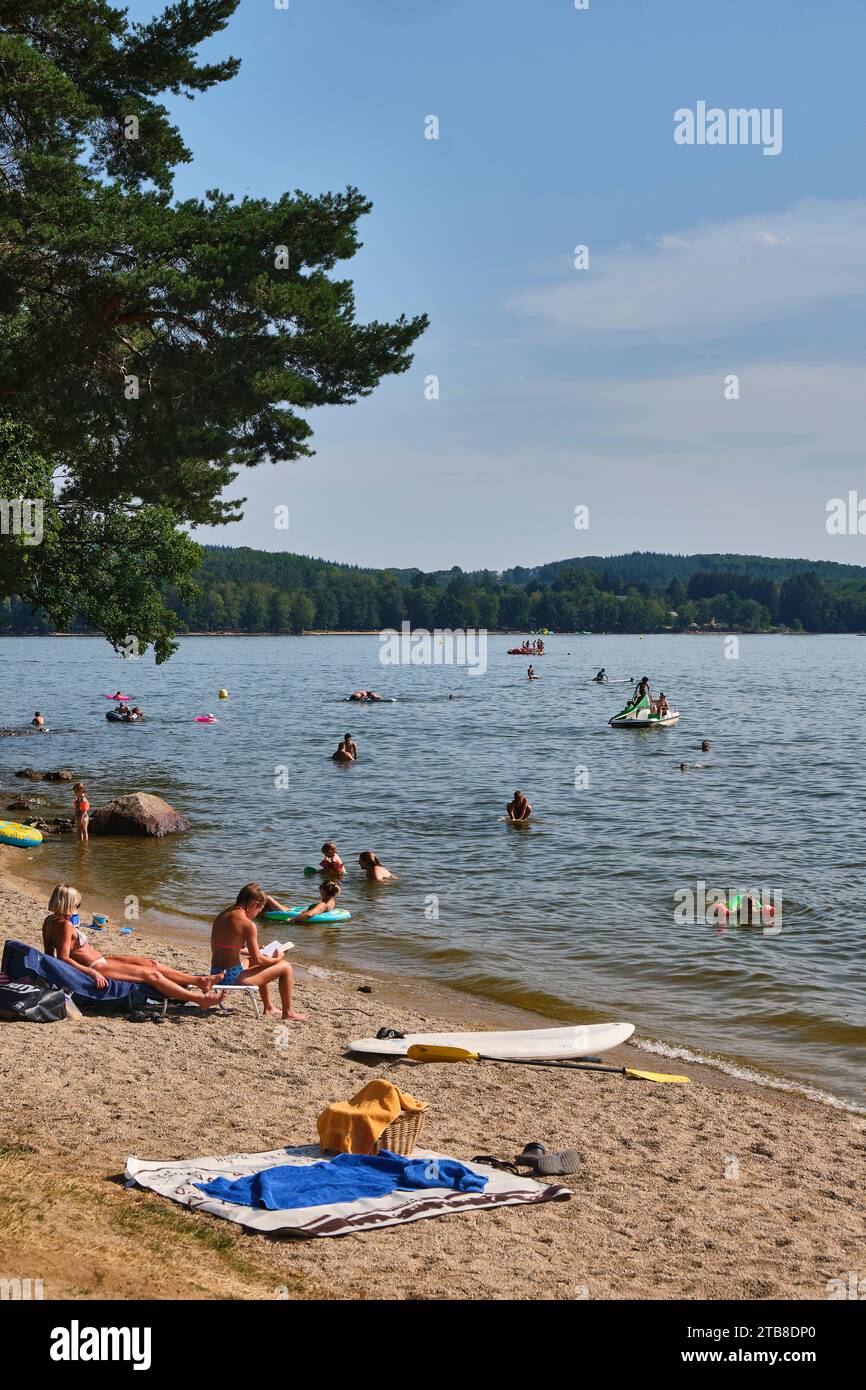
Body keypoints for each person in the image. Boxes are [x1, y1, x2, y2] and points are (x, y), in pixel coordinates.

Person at [43, 885, 226, 1007]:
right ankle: (200, 999)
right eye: (77, 904)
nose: (78, 907)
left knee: (151, 963)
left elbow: (48, 957)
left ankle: (199, 981)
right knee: (151, 974)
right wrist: (90, 973)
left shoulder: (49, 922)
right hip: (96, 967)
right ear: (68, 903)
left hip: (100, 961)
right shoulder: (65, 925)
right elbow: (62, 958)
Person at [211, 884, 306, 1021]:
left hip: (216, 973)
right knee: (285, 966)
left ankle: (269, 1007)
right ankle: (288, 1013)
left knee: (257, 959)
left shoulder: (223, 915)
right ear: (254, 904)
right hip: (233, 978)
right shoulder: (248, 924)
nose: (257, 915)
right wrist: (277, 958)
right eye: (259, 910)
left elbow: (228, 946)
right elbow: (258, 961)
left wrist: (256, 948)